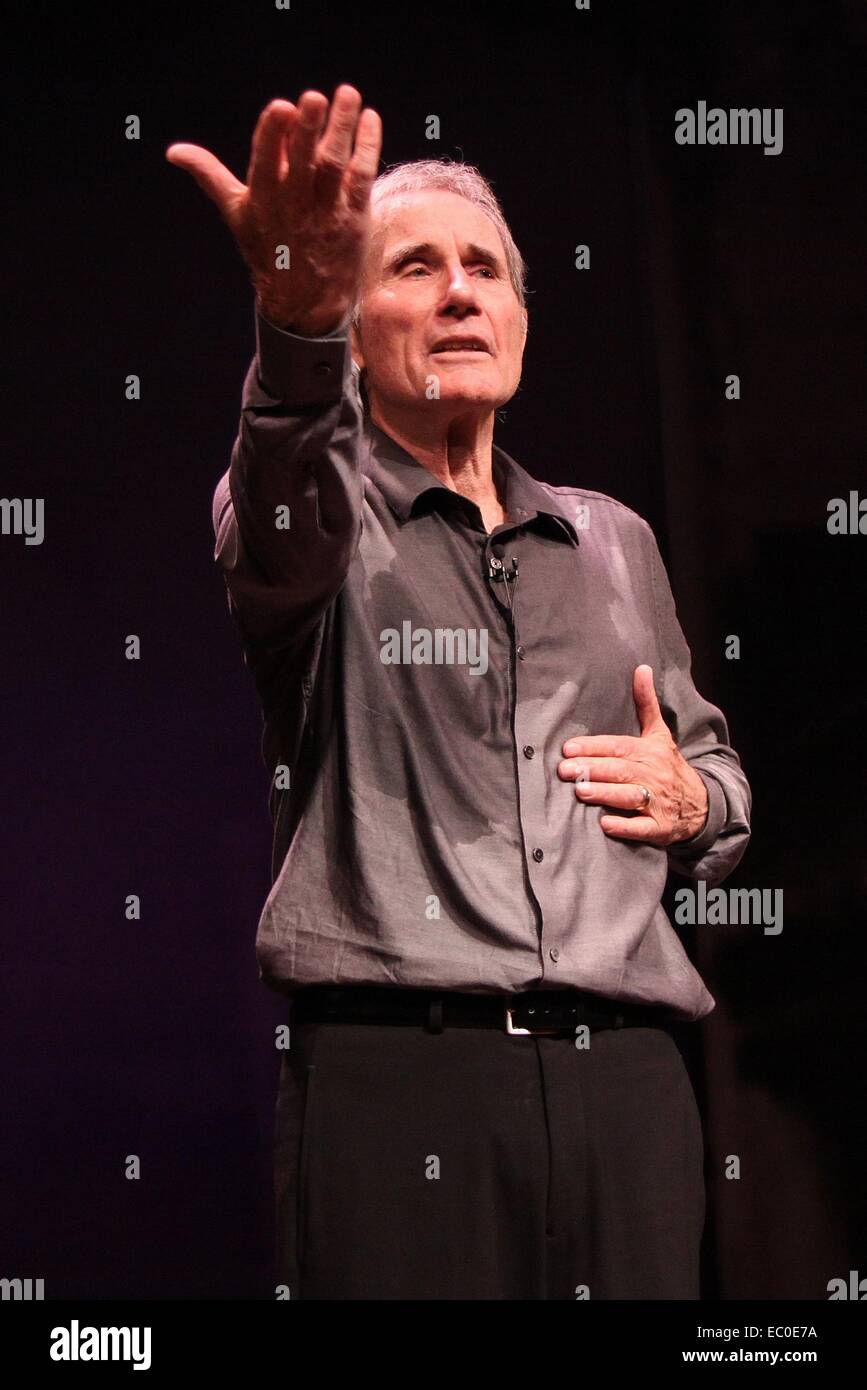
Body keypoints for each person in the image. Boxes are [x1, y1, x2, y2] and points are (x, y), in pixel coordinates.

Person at [166, 84, 751, 1300]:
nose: (459, 291)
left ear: (524, 319)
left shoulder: (612, 540)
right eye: (415, 266)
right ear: (358, 318)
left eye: (484, 267)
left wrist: (693, 800)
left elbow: (715, 774)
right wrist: (293, 322)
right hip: (404, 1087)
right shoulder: (317, 522)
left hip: (630, 1083)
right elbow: (281, 495)